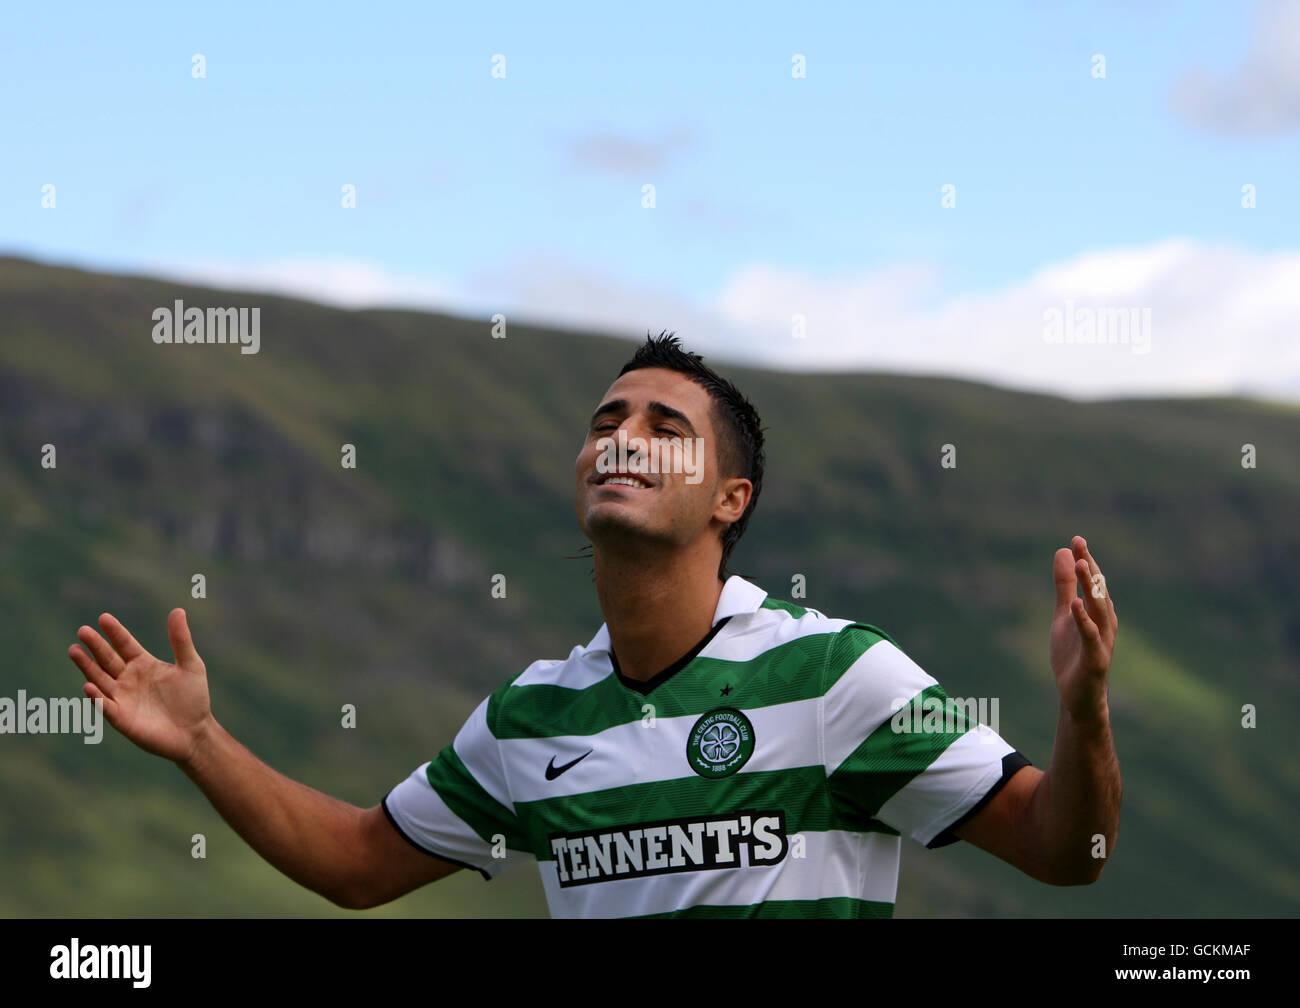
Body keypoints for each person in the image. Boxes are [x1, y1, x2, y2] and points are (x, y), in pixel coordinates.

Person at [68, 332, 1121, 918]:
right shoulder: (529, 720)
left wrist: (1083, 713)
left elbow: (1064, 851)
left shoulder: (837, 675)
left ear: (731, 499)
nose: (622, 438)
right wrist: (200, 741)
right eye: (606, 422)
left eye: (665, 427)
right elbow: (355, 862)